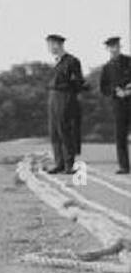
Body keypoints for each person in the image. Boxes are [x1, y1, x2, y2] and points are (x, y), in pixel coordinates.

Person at [44, 34, 86, 174]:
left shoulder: (72, 61)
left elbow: (78, 81)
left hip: (65, 96)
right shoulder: (55, 62)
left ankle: (69, 164)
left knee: (65, 131)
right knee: (54, 132)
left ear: (58, 45)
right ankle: (59, 163)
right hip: (53, 96)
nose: (49, 48)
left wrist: (69, 95)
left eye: (51, 45)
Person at [99, 36, 131, 174]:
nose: (114, 49)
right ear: (107, 49)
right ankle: (124, 166)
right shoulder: (107, 68)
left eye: (116, 46)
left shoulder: (129, 61)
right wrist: (115, 92)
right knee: (120, 136)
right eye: (111, 47)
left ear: (120, 47)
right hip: (118, 105)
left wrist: (129, 90)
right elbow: (103, 88)